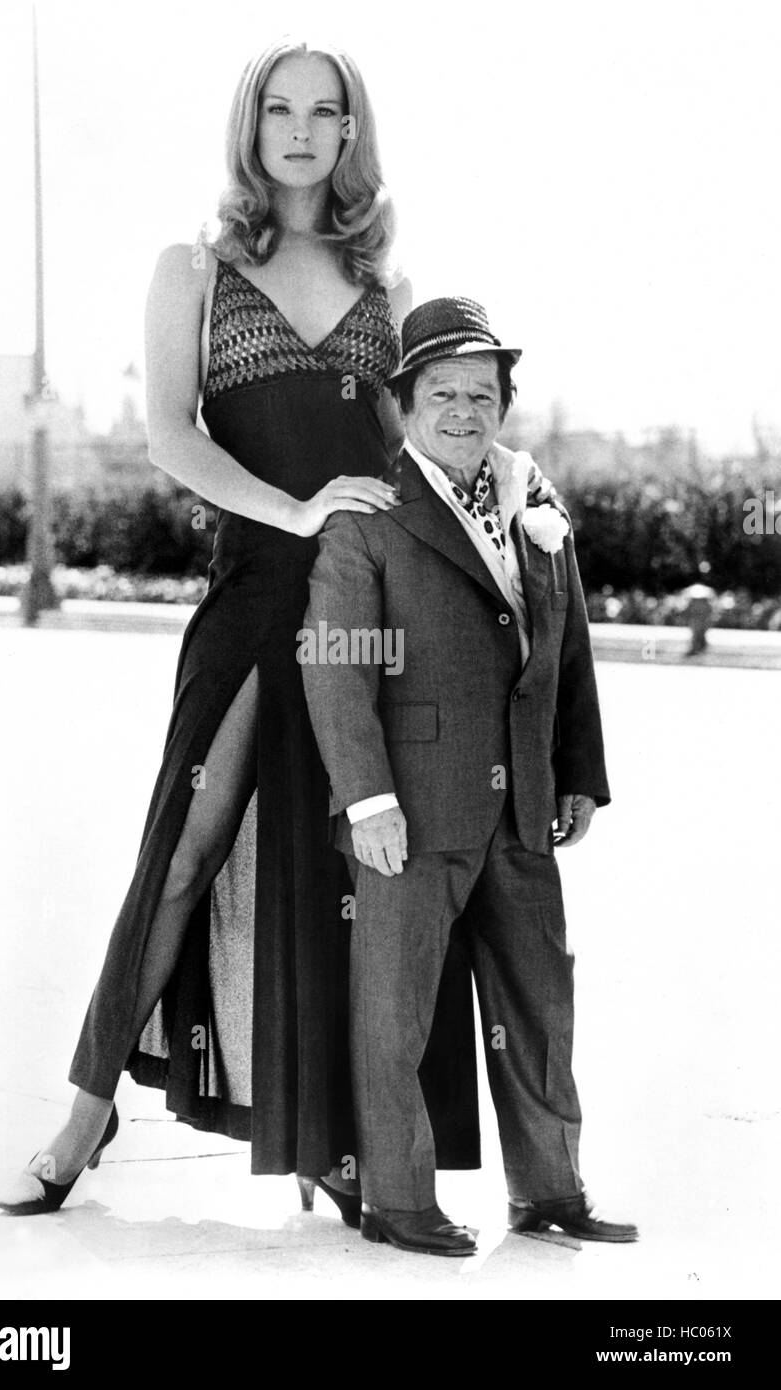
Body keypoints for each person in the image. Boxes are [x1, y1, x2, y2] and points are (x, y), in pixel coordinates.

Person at [0, 41, 538, 1220]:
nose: (300, 128)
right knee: (185, 849)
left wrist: (519, 507)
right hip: (250, 599)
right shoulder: (191, 267)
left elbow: (432, 448)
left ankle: (351, 1157)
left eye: (324, 111)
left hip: (366, 616)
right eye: (278, 108)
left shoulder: (389, 290)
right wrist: (293, 509)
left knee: (355, 875)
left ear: (352, 133)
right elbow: (169, 435)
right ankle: (83, 1118)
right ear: (250, 126)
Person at [301, 296, 639, 1255]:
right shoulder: (368, 514)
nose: (463, 410)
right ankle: (397, 1200)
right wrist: (366, 800)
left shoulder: (536, 501)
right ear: (403, 402)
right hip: (408, 807)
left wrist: (578, 772)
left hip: (523, 803)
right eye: (442, 391)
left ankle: (550, 1191)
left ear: (503, 403)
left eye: (481, 393)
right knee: (395, 1011)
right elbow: (333, 663)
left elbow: (567, 651)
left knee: (541, 1004)